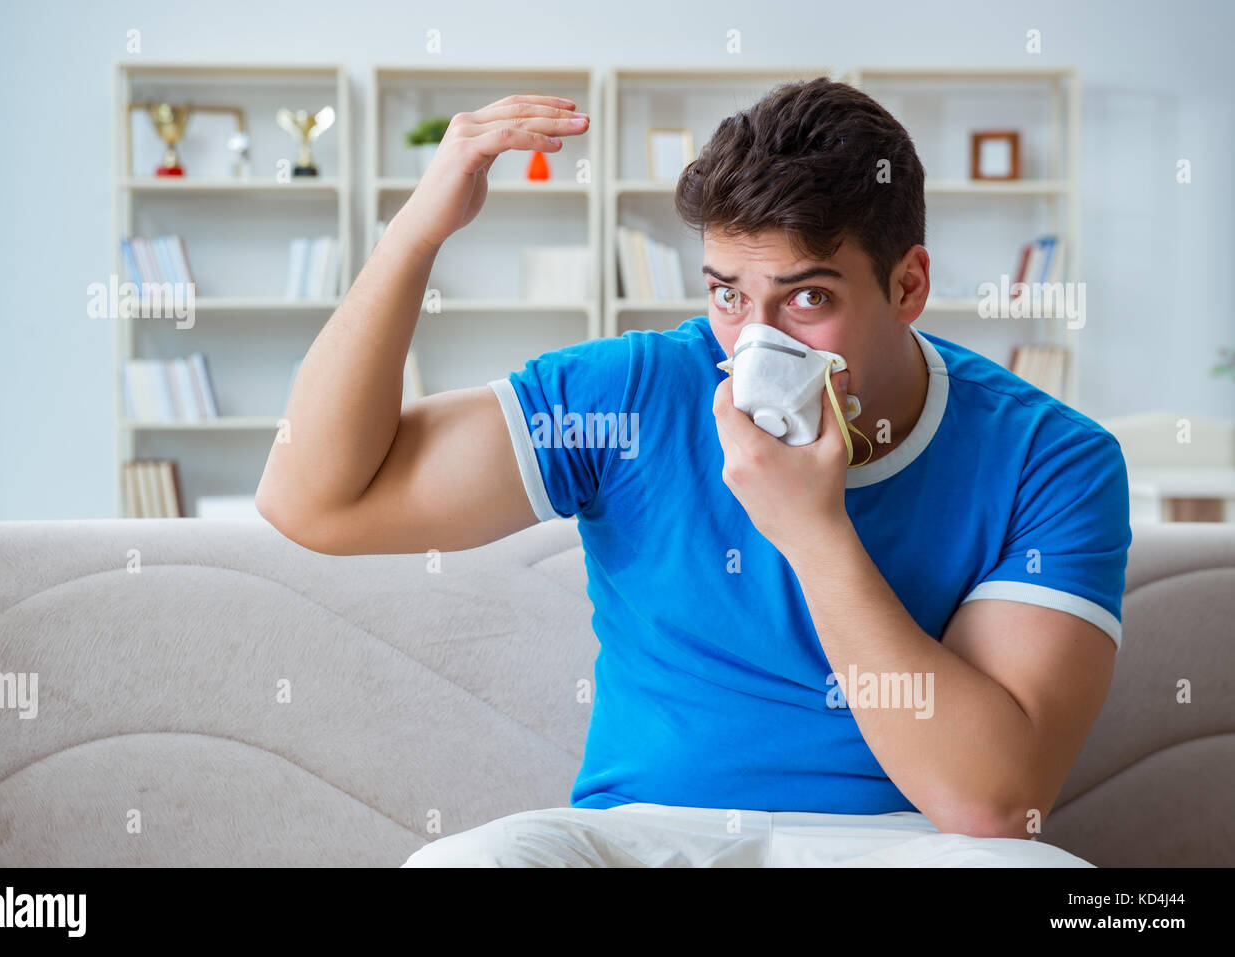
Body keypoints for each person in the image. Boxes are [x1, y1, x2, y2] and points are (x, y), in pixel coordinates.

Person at [256, 78, 1129, 868]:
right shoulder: (632, 394)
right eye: (727, 295)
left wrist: (814, 532)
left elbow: (992, 805)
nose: (756, 343)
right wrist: (418, 229)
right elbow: (314, 500)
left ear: (908, 286)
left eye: (808, 298)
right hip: (641, 837)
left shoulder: (1050, 457)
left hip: (907, 845)